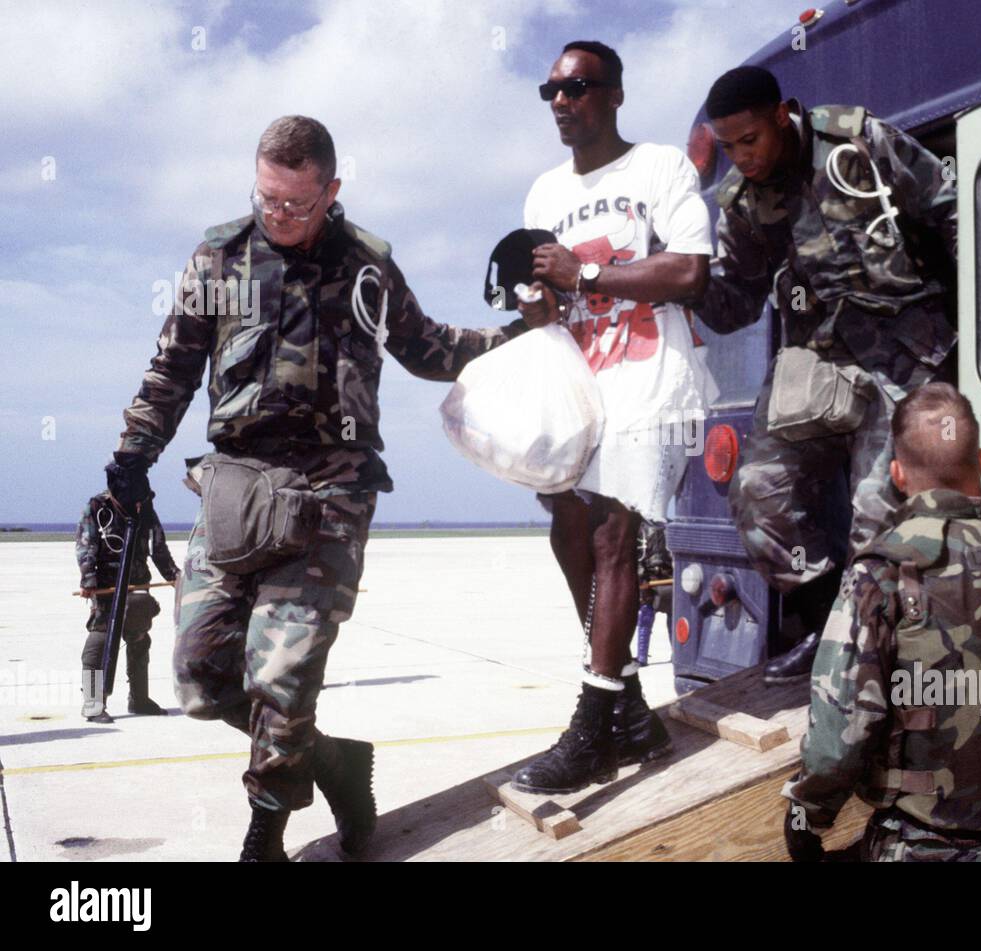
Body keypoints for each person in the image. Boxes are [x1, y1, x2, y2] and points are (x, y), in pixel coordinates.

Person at [105, 115, 543, 861]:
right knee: (201, 677)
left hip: (331, 488)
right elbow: (174, 367)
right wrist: (131, 457)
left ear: (331, 190)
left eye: (296, 204)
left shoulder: (367, 266)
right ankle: (333, 759)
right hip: (238, 488)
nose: (278, 215)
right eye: (267, 198)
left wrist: (515, 335)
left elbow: (428, 346)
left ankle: (265, 835)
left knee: (282, 675)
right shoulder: (219, 257)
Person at [695, 65, 958, 685]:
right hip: (821, 364)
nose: (741, 158)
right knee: (756, 492)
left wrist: (975, 326)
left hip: (906, 354)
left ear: (783, 114)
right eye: (728, 147)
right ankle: (823, 625)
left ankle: (871, 657)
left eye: (750, 140)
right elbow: (736, 304)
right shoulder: (744, 202)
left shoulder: (858, 144)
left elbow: (949, 209)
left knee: (878, 513)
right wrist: (685, 281)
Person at [510, 41, 715, 795]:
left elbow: (691, 271)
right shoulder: (541, 195)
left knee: (611, 533)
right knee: (566, 519)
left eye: (579, 87)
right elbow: (551, 304)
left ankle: (592, 730)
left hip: (652, 377)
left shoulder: (659, 168)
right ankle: (626, 702)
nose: (562, 102)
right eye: (551, 91)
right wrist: (539, 305)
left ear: (615, 94)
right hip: (582, 381)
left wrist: (586, 271)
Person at [781, 383, 981, 862]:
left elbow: (840, 735)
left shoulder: (879, 573)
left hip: (925, 846)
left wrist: (806, 816)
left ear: (898, 475)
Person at [75, 490, 178, 723]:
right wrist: (88, 579)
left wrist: (174, 576)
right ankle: (93, 703)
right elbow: (86, 544)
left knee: (140, 638)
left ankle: (139, 699)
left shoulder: (145, 506)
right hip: (106, 585)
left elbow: (158, 546)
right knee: (99, 642)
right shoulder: (97, 507)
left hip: (138, 582)